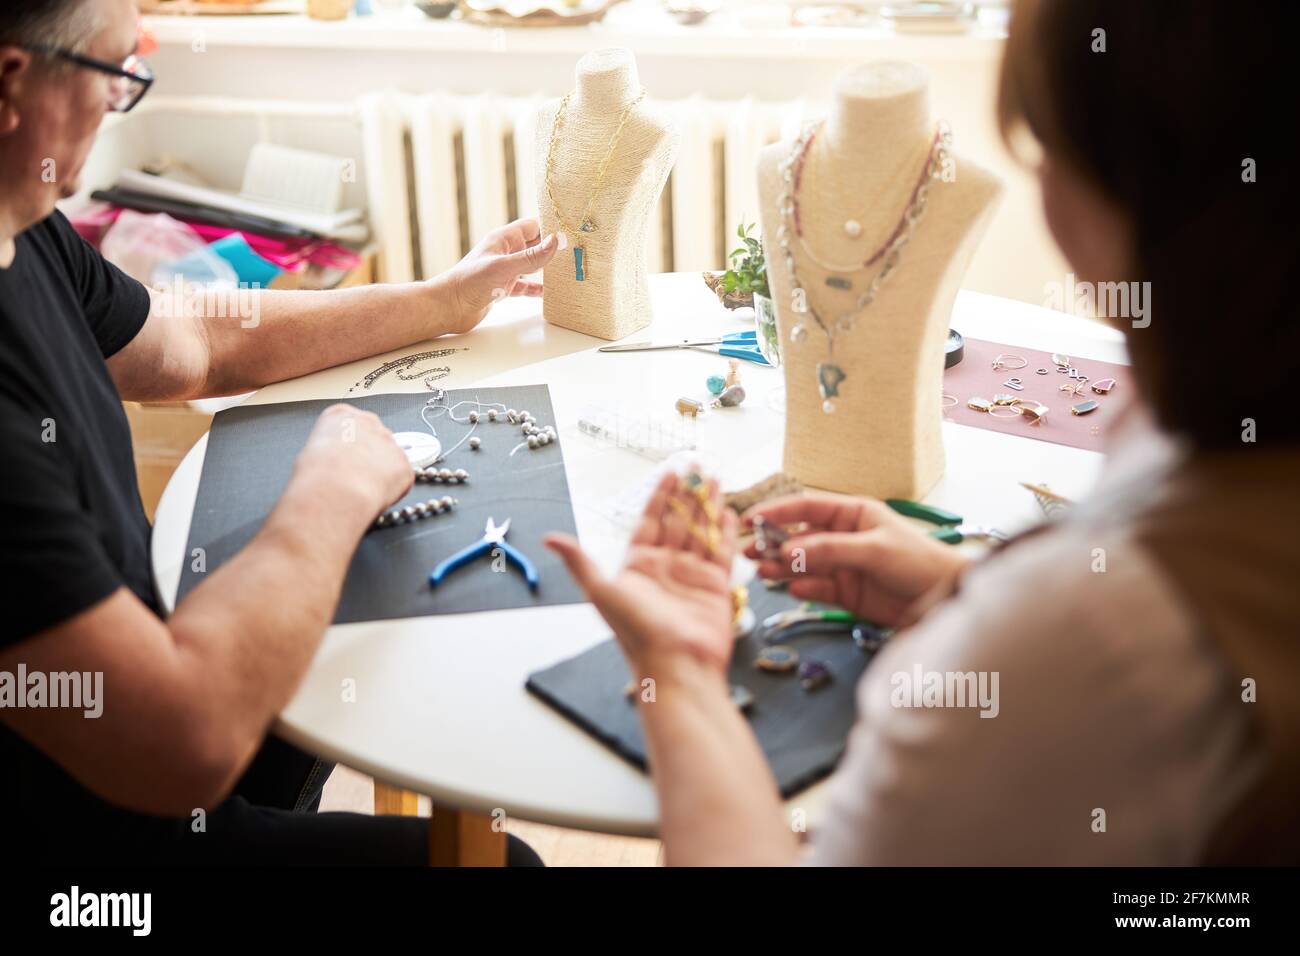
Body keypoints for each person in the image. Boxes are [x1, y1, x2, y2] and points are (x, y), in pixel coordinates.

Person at [546, 0, 1300, 865]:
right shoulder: (1201, 485)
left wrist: (677, 673)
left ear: (1124, 187)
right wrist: (968, 588)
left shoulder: (1084, 642)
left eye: (1041, 145)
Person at [0, 0, 558, 864]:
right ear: (12, 82)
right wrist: (328, 492)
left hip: (139, 692)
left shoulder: (25, 231)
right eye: (118, 74)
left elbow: (196, 343)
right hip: (100, 837)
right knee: (503, 863)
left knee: (354, 609)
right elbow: (181, 747)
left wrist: (442, 301)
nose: (120, 102)